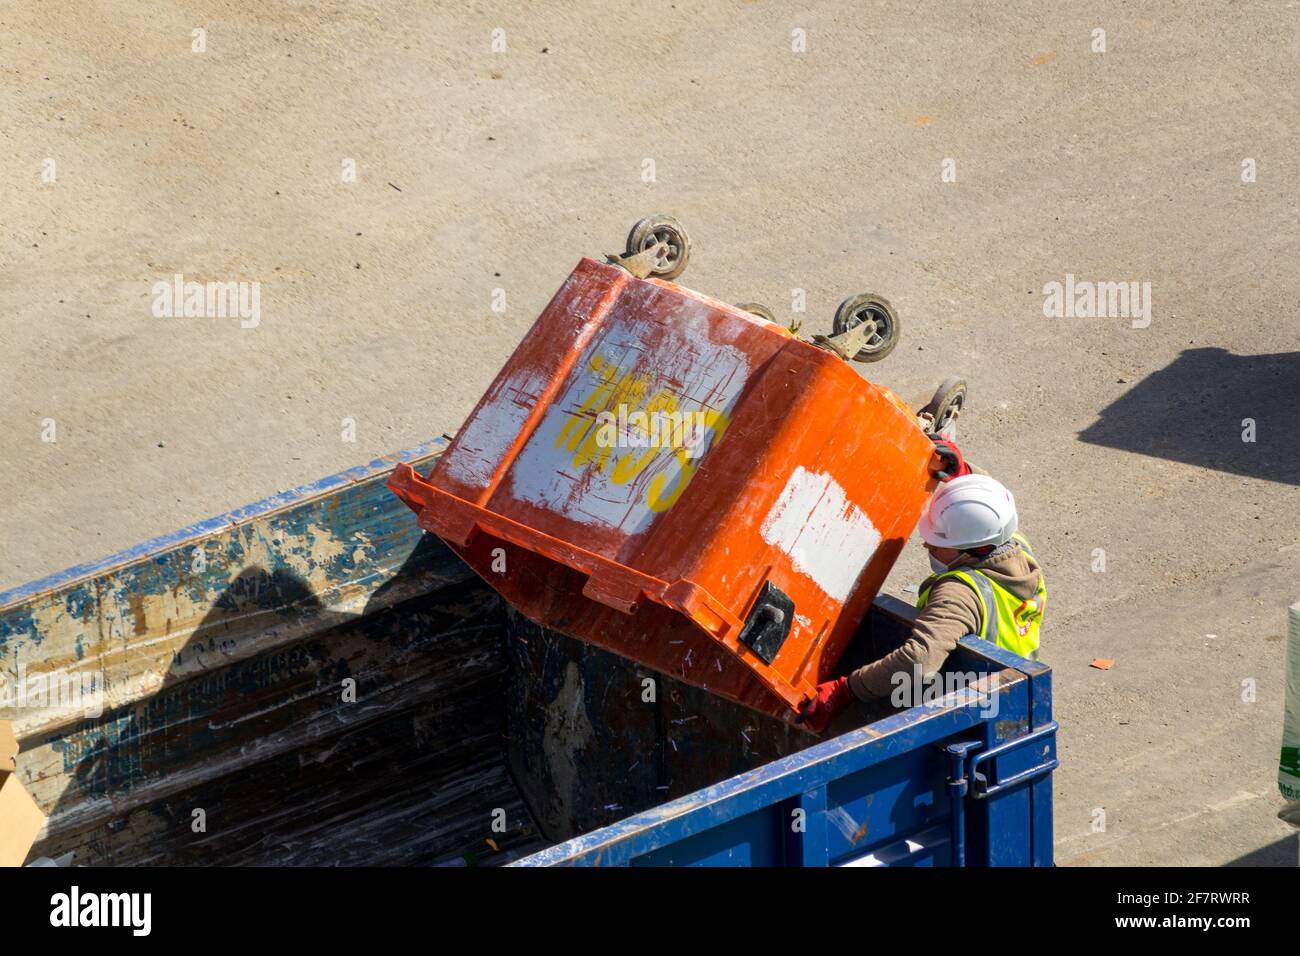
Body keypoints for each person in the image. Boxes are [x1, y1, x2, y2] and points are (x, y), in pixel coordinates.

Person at [798, 451, 1046, 733]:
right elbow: (985, 504)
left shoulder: (960, 594)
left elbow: (919, 660)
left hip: (979, 711)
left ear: (975, 549)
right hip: (1016, 692)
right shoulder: (1012, 546)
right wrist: (959, 470)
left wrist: (847, 690)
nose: (928, 547)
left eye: (938, 543)